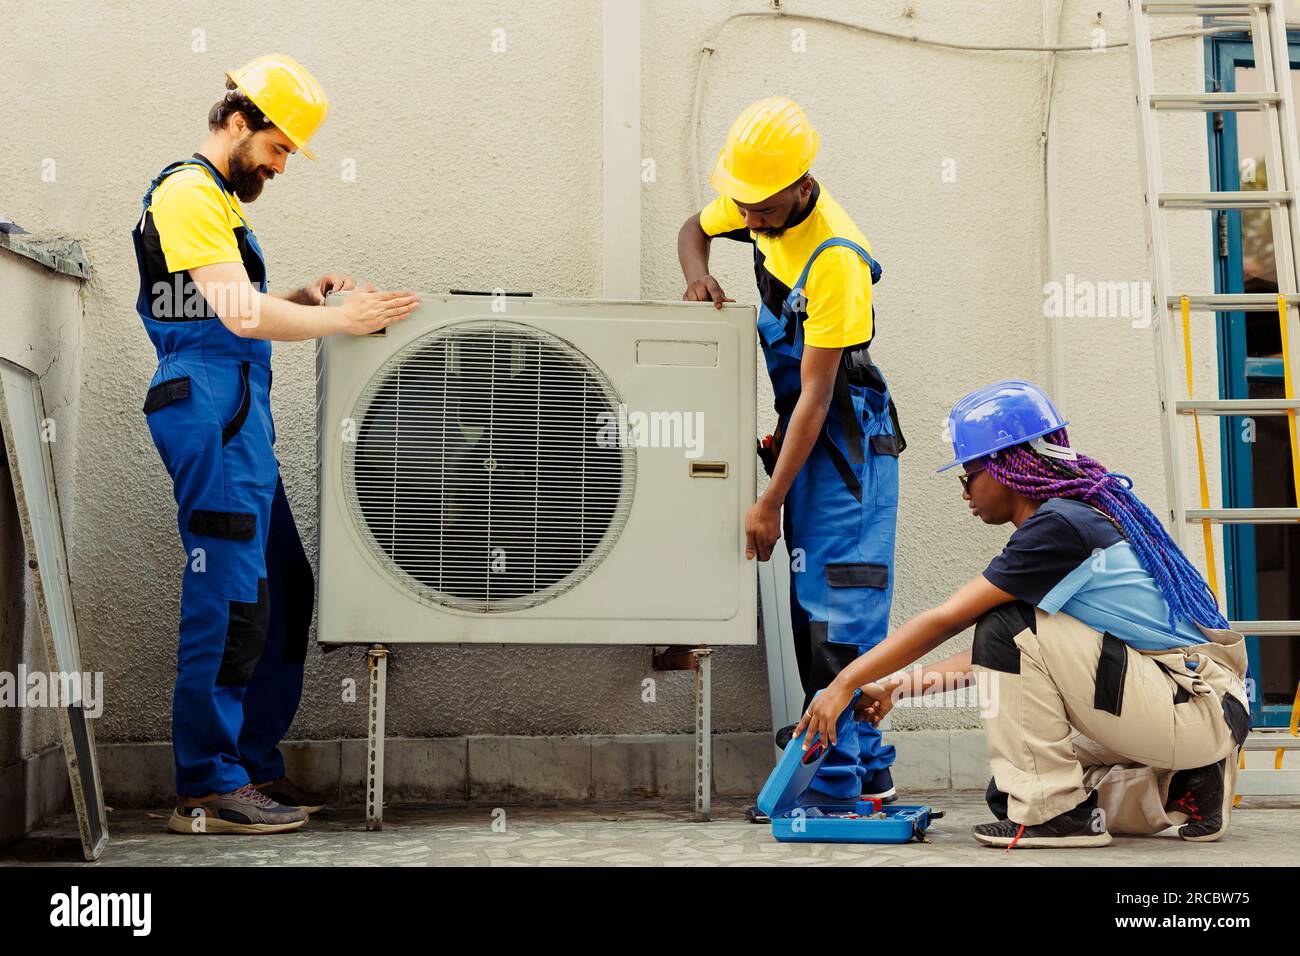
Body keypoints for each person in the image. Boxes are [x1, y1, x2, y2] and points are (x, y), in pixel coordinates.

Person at [132, 54, 420, 834]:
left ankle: (252, 766)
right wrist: (342, 321)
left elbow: (238, 300)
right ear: (237, 122)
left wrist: (302, 298)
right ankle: (208, 784)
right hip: (209, 407)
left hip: (238, 416)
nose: (283, 165)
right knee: (230, 597)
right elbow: (237, 317)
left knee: (282, 589)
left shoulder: (221, 201)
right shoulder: (189, 189)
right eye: (279, 147)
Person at [795, 380, 1250, 847]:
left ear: (1005, 466)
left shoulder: (1057, 528)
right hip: (1194, 705)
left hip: (1191, 703)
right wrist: (897, 686)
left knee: (1032, 771)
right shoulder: (1070, 520)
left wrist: (842, 683)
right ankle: (1185, 789)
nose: (964, 492)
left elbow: (948, 620)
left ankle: (1060, 819)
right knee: (1010, 789)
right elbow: (1000, 657)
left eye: (968, 475)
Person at [678, 97, 904, 811]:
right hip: (805, 433)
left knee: (840, 608)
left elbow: (815, 392)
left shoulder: (835, 259)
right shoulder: (755, 199)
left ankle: (835, 785)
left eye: (761, 207)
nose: (746, 218)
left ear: (802, 186)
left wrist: (769, 502)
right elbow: (694, 227)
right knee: (821, 607)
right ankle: (864, 772)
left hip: (844, 439)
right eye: (740, 203)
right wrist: (697, 274)